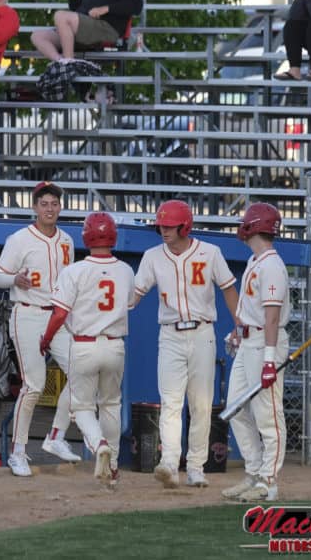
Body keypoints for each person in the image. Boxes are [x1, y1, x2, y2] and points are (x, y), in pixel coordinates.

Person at [130, 200, 238, 489]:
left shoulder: (210, 252)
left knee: (201, 404)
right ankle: (169, 463)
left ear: (184, 226)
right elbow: (135, 295)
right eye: (162, 226)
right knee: (171, 401)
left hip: (203, 332)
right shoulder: (153, 256)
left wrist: (240, 324)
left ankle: (195, 466)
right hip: (170, 333)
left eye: (170, 226)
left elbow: (228, 288)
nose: (164, 230)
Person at [0, 181, 82, 477]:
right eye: (44, 203)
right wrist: (15, 279)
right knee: (33, 386)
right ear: (35, 207)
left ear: (60, 207)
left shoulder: (67, 240)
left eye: (54, 203)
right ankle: (18, 452)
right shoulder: (19, 239)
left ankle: (55, 436)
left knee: (82, 372)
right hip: (27, 313)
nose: (50, 208)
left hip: (58, 316)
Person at [40, 212, 134, 490]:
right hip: (115, 345)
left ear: (87, 235)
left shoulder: (74, 271)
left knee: (81, 407)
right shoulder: (126, 270)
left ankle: (98, 445)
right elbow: (129, 304)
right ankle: (113, 468)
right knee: (111, 405)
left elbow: (59, 315)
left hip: (83, 344)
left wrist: (45, 339)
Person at [221, 203, 290, 502]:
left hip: (266, 343)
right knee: (235, 407)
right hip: (249, 341)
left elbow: (272, 316)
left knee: (268, 415)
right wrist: (238, 332)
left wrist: (269, 360)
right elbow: (249, 308)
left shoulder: (272, 265)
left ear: (255, 226)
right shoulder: (256, 260)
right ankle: (253, 473)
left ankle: (268, 481)